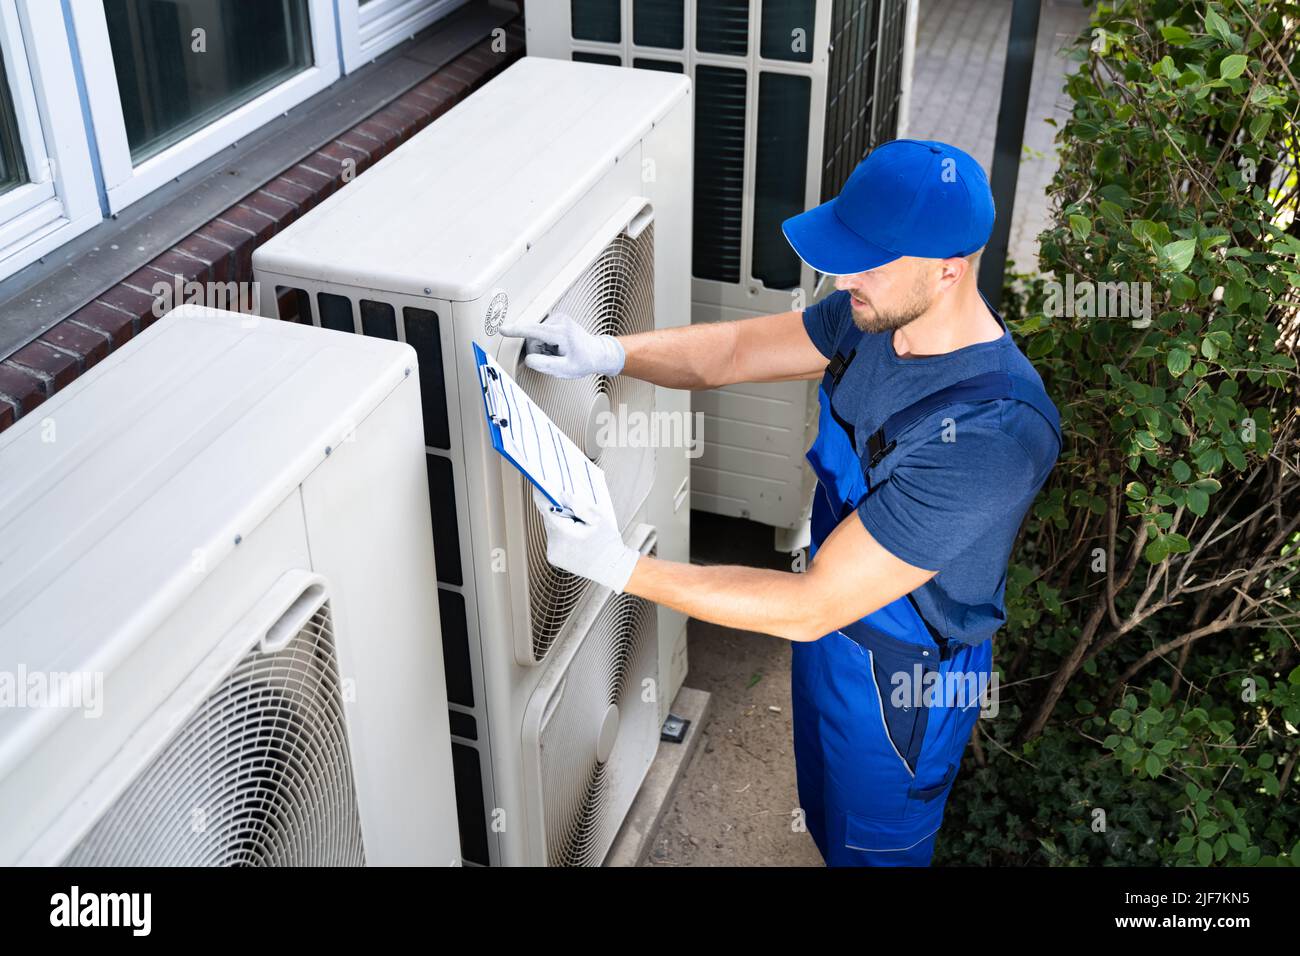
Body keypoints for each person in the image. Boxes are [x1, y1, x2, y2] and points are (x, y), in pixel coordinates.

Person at [500, 139, 1061, 866]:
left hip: (901, 681)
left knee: (875, 850)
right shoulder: (871, 321)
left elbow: (811, 604)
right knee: (829, 820)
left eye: (868, 260)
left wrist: (622, 568)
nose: (843, 275)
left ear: (948, 269)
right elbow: (731, 352)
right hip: (832, 635)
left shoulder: (994, 432)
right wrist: (610, 352)